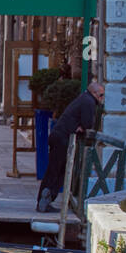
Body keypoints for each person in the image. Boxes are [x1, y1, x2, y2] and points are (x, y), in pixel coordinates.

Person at [37, 83, 106, 211]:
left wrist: (81, 127)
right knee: (55, 171)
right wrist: (82, 127)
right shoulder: (89, 102)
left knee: (58, 170)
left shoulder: (84, 98)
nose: (102, 98)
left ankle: (46, 199)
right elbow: (87, 123)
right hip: (62, 138)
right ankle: (44, 201)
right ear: (95, 93)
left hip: (59, 136)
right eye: (101, 95)